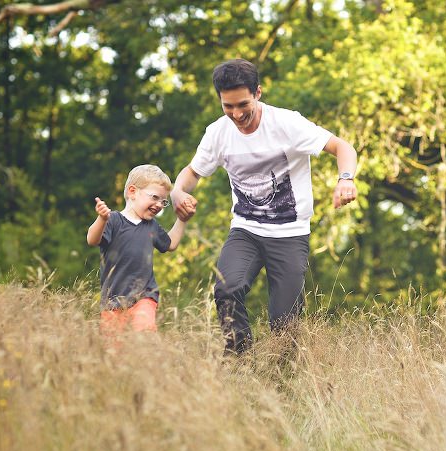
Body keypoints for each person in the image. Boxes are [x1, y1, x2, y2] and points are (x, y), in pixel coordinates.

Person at [171, 58, 358, 355]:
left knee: (285, 325)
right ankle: (239, 358)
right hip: (246, 230)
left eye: (243, 104)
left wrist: (345, 179)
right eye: (228, 106)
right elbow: (192, 173)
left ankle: (279, 384)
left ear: (258, 92)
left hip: (290, 233)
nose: (236, 114)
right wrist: (177, 192)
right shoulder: (218, 132)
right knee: (226, 289)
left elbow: (342, 147)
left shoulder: (286, 123)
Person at [87, 164, 186, 335]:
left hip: (145, 296)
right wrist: (102, 219)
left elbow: (170, 244)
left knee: (144, 333)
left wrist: (182, 219)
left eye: (163, 201)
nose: (159, 205)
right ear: (133, 192)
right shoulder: (114, 220)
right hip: (113, 300)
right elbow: (92, 239)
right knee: (114, 349)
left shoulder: (152, 226)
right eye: (154, 197)